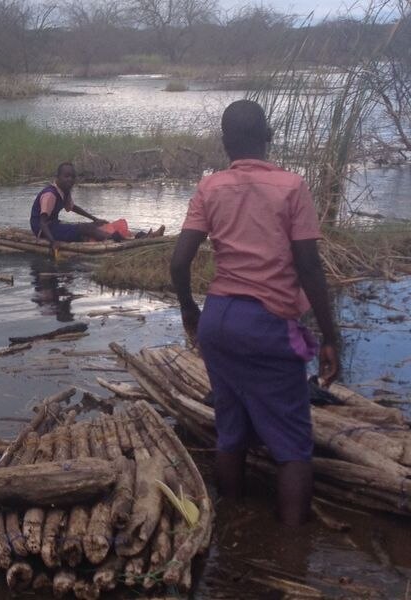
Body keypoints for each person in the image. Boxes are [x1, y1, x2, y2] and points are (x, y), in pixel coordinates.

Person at [169, 99, 339, 526]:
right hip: (268, 324)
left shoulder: (210, 187)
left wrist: (191, 311)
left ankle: (232, 529)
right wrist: (332, 336)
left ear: (226, 143)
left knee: (230, 433)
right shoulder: (291, 186)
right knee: (294, 448)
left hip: (220, 321)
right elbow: (309, 266)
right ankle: (290, 552)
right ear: (270, 136)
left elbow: (178, 261)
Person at [30, 162, 164, 254]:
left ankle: (141, 235)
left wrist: (94, 219)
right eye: (66, 176)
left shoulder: (64, 191)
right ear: (57, 177)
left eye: (72, 177)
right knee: (85, 228)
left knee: (95, 226)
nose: (70, 180)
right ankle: (124, 240)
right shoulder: (50, 195)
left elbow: (73, 207)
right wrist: (52, 242)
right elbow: (42, 222)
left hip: (53, 226)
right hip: (42, 230)